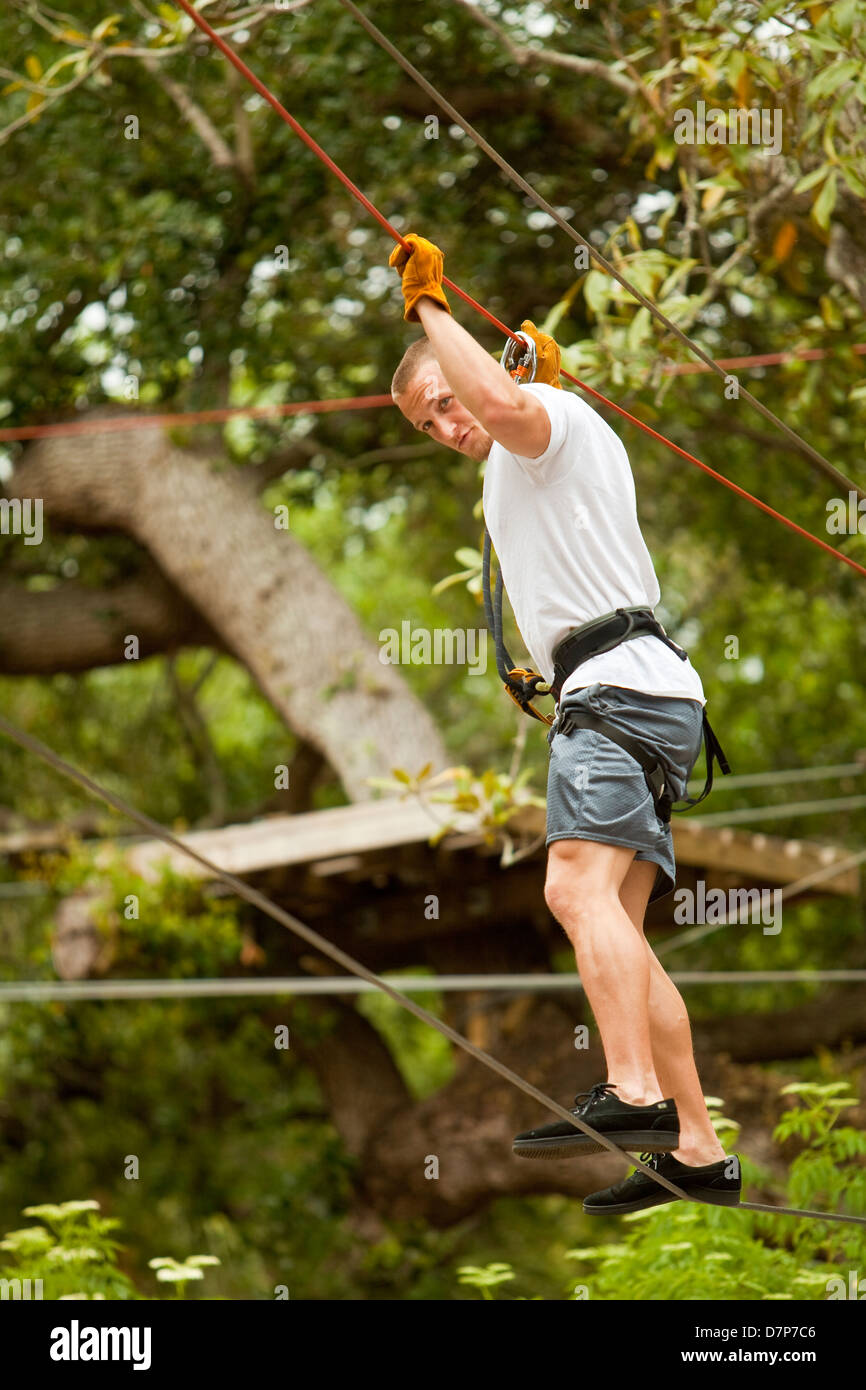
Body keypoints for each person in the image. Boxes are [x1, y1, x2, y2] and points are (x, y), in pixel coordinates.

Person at [388, 233, 740, 1215]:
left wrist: (428, 305)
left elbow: (505, 404)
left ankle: (632, 1089)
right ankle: (696, 1149)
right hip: (639, 694)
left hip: (619, 695)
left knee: (571, 887)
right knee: (614, 921)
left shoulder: (539, 417)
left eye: (444, 402)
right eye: (426, 424)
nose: (447, 425)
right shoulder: (527, 446)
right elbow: (505, 419)